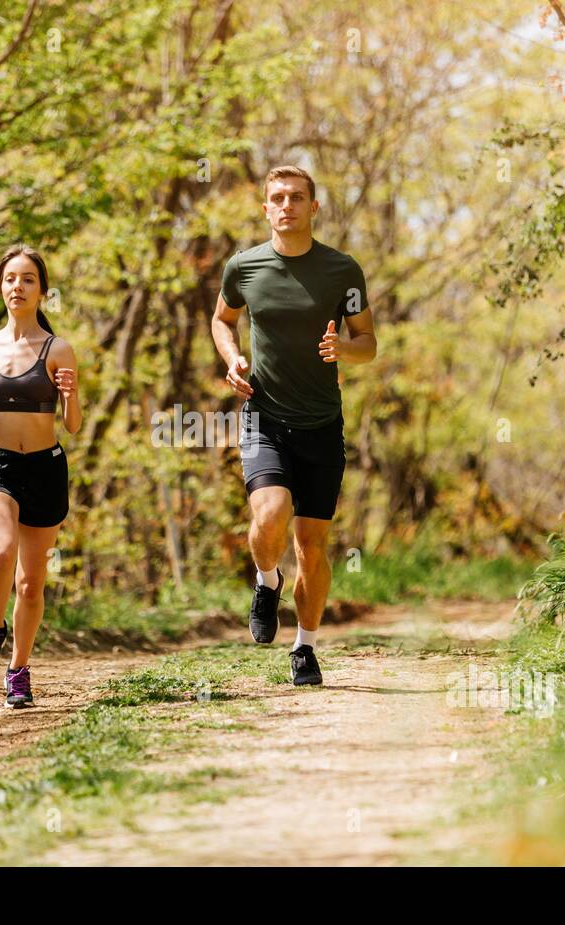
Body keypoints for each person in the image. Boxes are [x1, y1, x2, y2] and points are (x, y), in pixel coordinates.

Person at [211, 166, 377, 686]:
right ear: (266, 209)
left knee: (312, 546)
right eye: (277, 198)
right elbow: (222, 319)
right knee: (271, 511)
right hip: (264, 415)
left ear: (313, 207)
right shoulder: (244, 267)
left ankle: (304, 647)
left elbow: (368, 341)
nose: (287, 206)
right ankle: (266, 580)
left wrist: (343, 350)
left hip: (323, 425)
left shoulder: (341, 270)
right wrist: (234, 359)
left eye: (297, 198)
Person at [0, 244, 82, 708]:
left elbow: (72, 425)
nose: (18, 286)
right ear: (0, 287)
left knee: (31, 583)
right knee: (2, 549)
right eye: (11, 278)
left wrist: (70, 395)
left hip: (45, 468)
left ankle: (19, 670)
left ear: (42, 291)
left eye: (28, 279)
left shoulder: (59, 349)